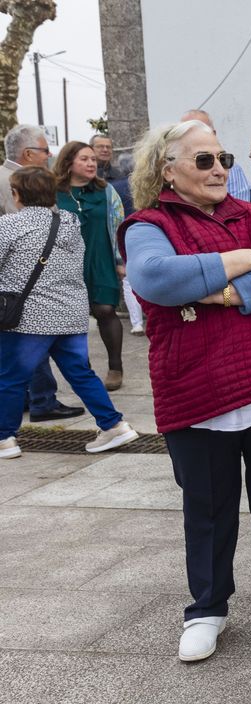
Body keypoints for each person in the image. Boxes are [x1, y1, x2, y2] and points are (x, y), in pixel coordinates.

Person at [120, 119, 251, 662]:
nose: (220, 169)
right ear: (168, 170)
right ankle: (207, 608)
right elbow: (156, 280)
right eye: (204, 160)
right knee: (208, 506)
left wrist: (216, 289)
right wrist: (245, 259)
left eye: (225, 158)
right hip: (197, 386)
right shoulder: (149, 224)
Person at [0, 167, 139, 459]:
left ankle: (5, 439)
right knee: (81, 372)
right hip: (71, 314)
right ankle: (114, 425)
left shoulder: (9, 226)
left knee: (11, 377)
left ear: (16, 195)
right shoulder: (69, 221)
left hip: (30, 318)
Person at [1, 124, 83, 421]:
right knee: (33, 344)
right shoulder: (12, 182)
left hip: (16, 282)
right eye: (45, 150)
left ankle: (27, 399)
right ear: (27, 154)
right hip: (24, 283)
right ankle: (42, 400)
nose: (50, 155)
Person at [53, 141, 126, 391]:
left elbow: (119, 225)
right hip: (66, 263)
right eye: (84, 159)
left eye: (93, 159)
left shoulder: (106, 191)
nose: (91, 163)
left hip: (101, 257)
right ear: (68, 163)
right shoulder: (54, 193)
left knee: (105, 309)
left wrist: (120, 260)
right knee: (74, 318)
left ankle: (115, 367)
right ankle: (82, 372)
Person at [106, 152, 145, 336]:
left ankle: (137, 323)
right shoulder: (146, 185)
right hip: (147, 232)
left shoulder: (113, 187)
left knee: (129, 280)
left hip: (124, 236)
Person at [178, 110, 251, 201]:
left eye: (200, 130)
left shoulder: (232, 169)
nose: (220, 171)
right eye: (185, 132)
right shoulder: (173, 165)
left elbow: (240, 209)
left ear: (214, 134)